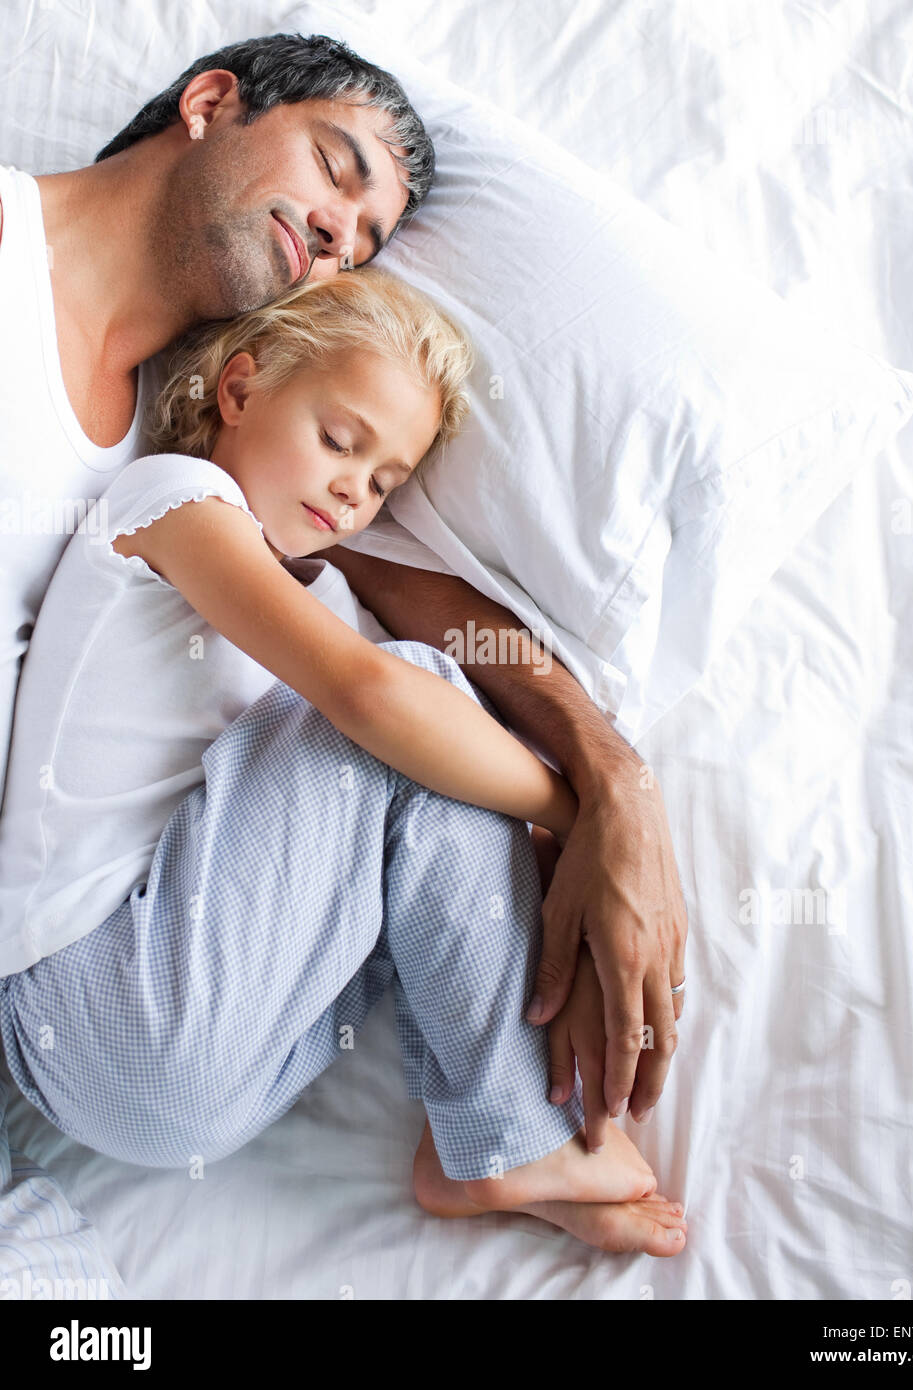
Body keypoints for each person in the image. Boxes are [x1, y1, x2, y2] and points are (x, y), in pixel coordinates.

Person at [0, 33, 687, 1251]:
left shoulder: (210, 468)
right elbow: (376, 692)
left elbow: (412, 622)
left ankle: (486, 1127)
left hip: (202, 1030)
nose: (342, 235)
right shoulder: (169, 480)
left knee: (420, 760)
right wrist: (567, 805)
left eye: (369, 240)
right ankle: (502, 1132)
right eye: (336, 168)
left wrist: (615, 783)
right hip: (81, 990)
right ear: (211, 101)